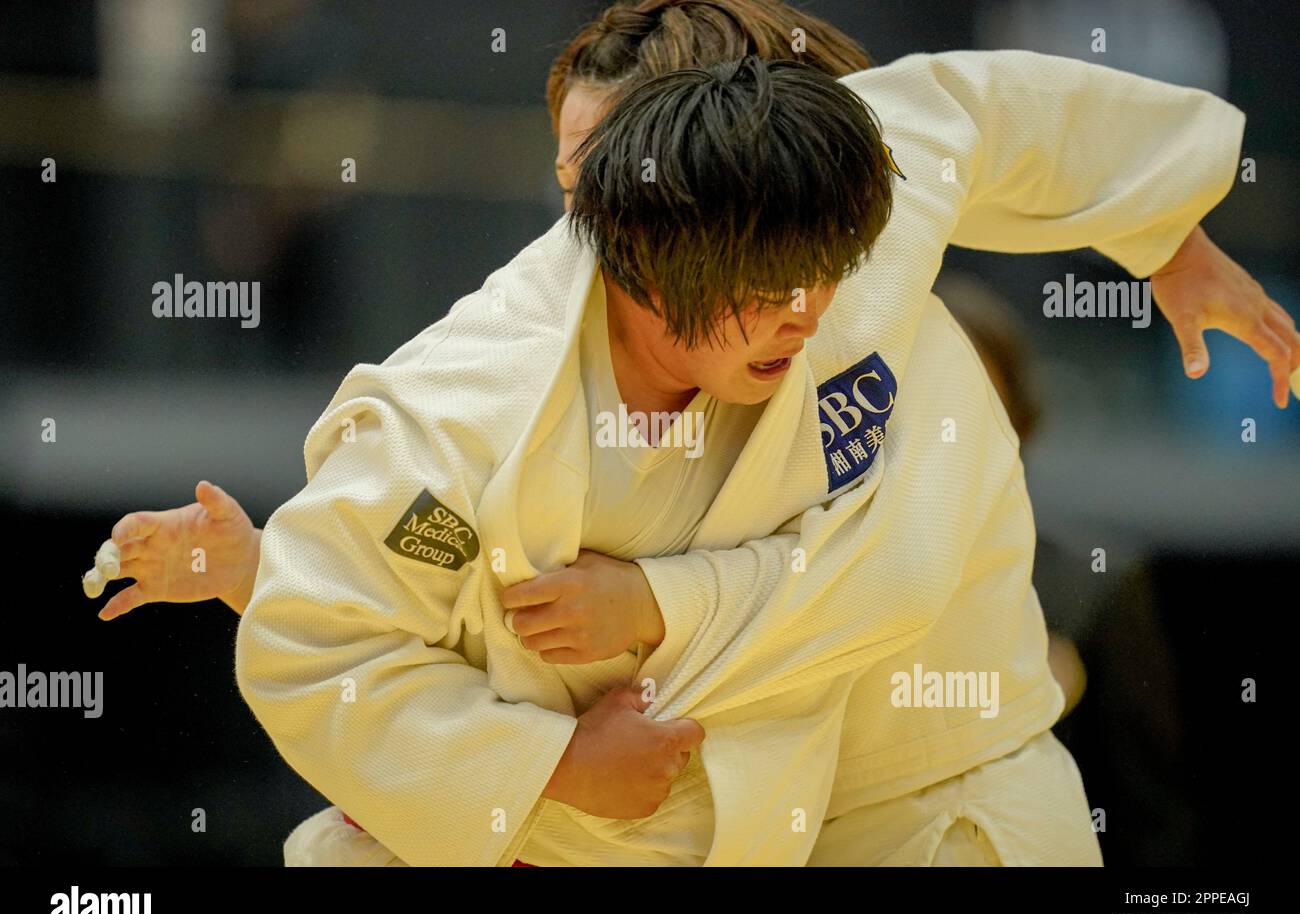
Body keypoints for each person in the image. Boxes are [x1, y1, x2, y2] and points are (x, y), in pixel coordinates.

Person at [92, 2, 1297, 866]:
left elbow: (988, 115)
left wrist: (1166, 240)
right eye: (766, 297)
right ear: (645, 256)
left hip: (940, 783)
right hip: (653, 826)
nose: (807, 315)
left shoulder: (832, 187)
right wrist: (540, 767)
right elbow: (326, 636)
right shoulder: (470, 406)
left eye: (826, 279)